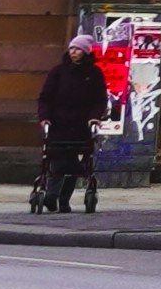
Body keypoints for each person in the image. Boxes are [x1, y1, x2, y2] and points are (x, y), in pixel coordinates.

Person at [30, 40, 107, 215]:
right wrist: (45, 117)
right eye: (72, 48)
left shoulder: (94, 74)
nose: (73, 52)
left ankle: (63, 199)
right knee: (57, 159)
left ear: (85, 52)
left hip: (81, 124)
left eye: (78, 49)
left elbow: (99, 99)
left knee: (73, 162)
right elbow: (46, 97)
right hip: (58, 123)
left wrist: (95, 118)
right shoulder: (58, 72)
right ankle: (51, 195)